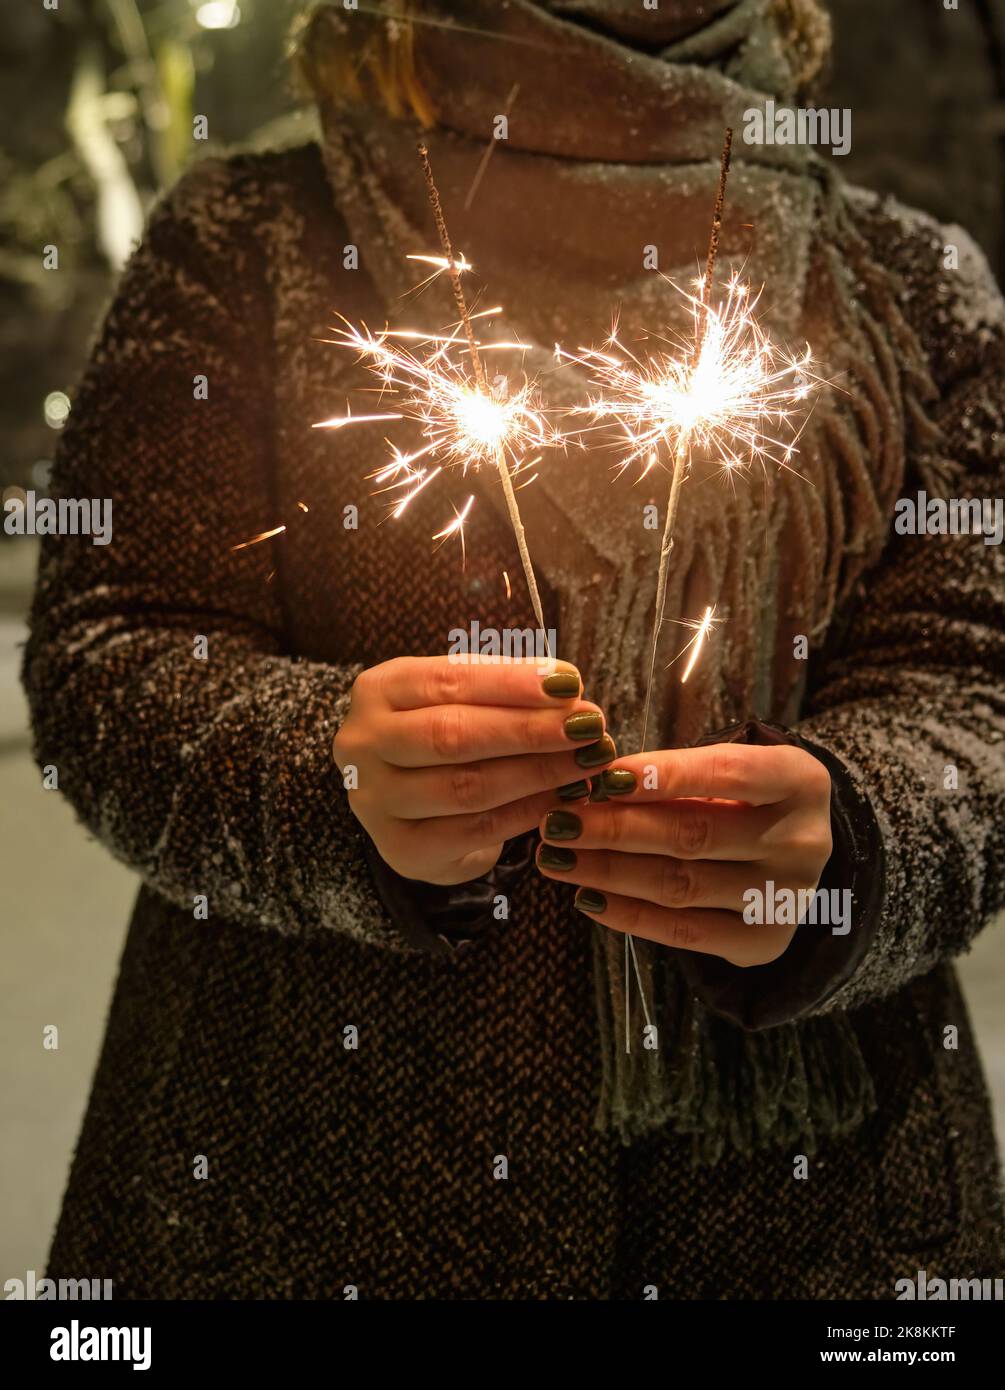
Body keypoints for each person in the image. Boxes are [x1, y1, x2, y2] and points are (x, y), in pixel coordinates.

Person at [26, 0, 1004, 1299]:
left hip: (827, 1227)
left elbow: (976, 688)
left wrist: (861, 838)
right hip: (299, 1197)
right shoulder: (249, 238)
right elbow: (106, 652)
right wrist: (320, 770)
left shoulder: (912, 288)